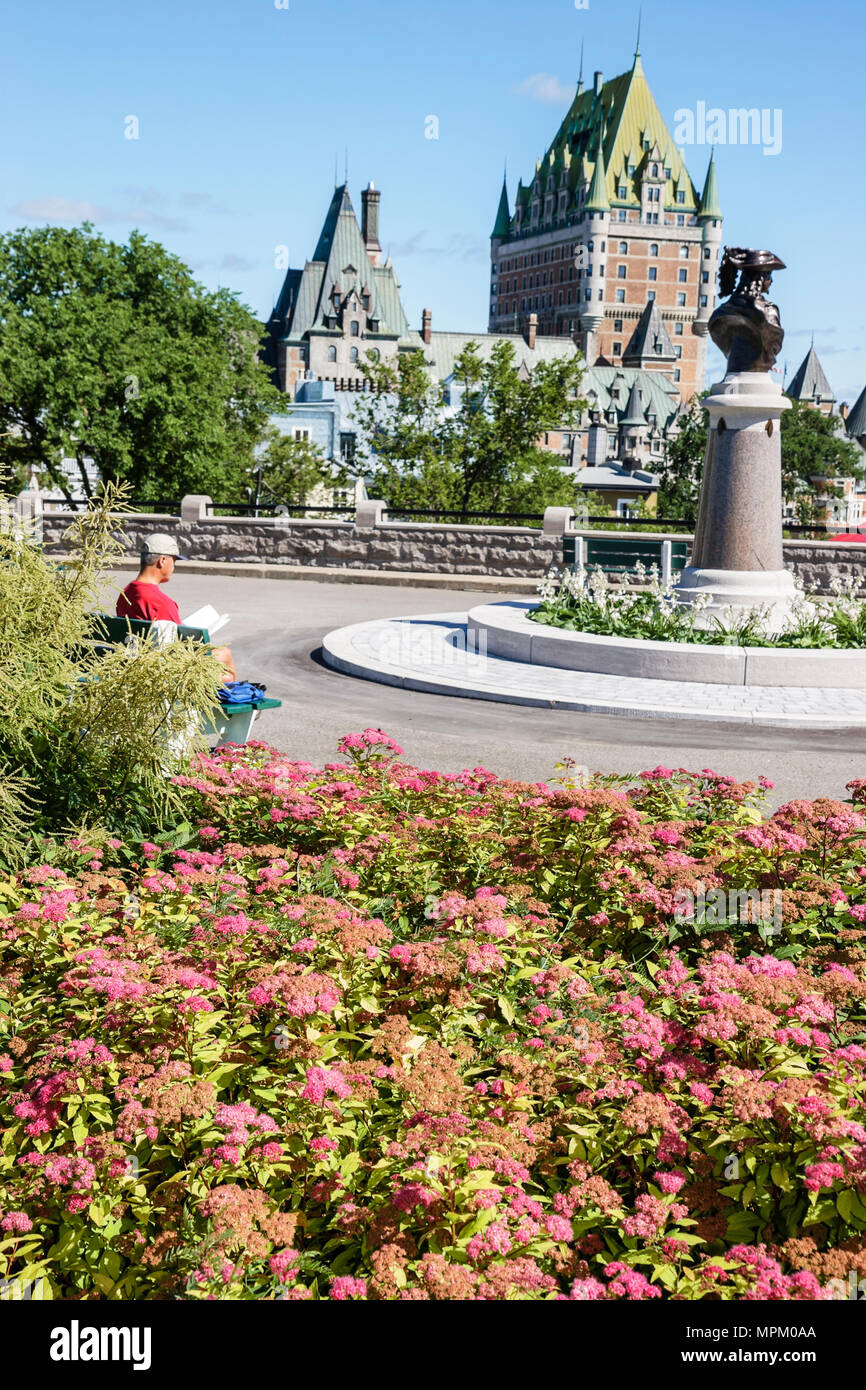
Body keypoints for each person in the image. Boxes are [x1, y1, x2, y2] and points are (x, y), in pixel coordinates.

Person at [116, 533, 237, 679]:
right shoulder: (161, 602)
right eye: (174, 561)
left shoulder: (126, 593)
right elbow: (176, 650)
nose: (174, 567)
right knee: (226, 657)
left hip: (134, 663)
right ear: (162, 561)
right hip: (160, 672)